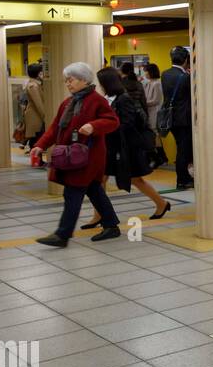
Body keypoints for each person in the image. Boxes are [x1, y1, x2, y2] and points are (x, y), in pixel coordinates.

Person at [31, 63, 121, 246]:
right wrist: (40, 145)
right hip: (71, 156)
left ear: (83, 80)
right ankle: (111, 225)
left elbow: (113, 121)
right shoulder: (68, 103)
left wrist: (94, 126)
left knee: (72, 192)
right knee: (94, 190)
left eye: (70, 80)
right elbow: (55, 127)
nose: (68, 84)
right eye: (66, 81)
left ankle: (62, 235)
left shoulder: (97, 100)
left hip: (89, 157)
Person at [86, 67, 169, 225]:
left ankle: (161, 203)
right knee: (100, 179)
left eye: (101, 82)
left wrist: (105, 126)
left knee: (136, 180)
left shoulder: (123, 99)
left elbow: (127, 124)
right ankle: (98, 214)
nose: (99, 85)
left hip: (126, 147)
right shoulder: (109, 98)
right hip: (111, 146)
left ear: (107, 83)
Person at [162, 47, 193, 189]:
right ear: (186, 60)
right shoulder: (186, 77)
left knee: (181, 147)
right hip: (184, 119)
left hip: (171, 118)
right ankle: (182, 179)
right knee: (183, 150)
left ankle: (184, 177)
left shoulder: (165, 74)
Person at [142, 62, 167, 168]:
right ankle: (160, 157)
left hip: (155, 112)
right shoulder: (149, 82)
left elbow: (156, 100)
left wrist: (143, 103)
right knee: (153, 134)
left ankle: (161, 157)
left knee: (154, 133)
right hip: (150, 111)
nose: (145, 73)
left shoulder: (157, 83)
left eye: (146, 71)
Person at [22, 62, 47, 150]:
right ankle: (36, 161)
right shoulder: (33, 86)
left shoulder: (37, 84)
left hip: (36, 115)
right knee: (35, 139)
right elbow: (38, 104)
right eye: (41, 72)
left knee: (37, 138)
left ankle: (38, 161)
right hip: (35, 115)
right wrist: (45, 116)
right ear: (38, 73)